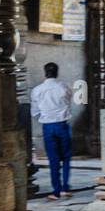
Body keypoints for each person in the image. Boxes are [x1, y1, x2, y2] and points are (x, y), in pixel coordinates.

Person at [30, 62, 73, 200]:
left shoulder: (37, 90)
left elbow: (34, 112)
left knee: (53, 159)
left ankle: (56, 191)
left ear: (45, 72)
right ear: (57, 72)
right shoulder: (63, 87)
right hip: (62, 125)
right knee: (66, 157)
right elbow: (68, 102)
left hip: (48, 127)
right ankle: (65, 188)